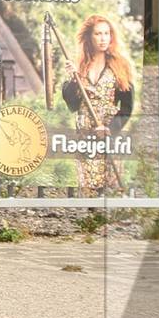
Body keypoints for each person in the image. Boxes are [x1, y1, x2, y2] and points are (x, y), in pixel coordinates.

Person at [61, 13, 136, 193]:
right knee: (88, 183)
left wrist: (110, 128)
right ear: (89, 37)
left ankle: (108, 214)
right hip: (85, 134)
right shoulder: (80, 66)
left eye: (106, 33)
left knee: (109, 181)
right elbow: (71, 104)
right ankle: (90, 214)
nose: (103, 38)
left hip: (108, 132)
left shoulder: (119, 66)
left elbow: (127, 106)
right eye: (98, 34)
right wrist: (73, 79)